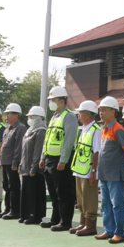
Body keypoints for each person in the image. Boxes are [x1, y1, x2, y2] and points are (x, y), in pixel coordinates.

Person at [39, 86, 78, 232]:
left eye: (53, 100)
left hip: (61, 161)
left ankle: (65, 221)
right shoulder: (55, 117)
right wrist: (43, 156)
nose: (50, 103)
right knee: (54, 192)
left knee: (64, 192)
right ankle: (55, 219)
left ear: (62, 101)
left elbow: (68, 140)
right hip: (50, 158)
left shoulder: (69, 116)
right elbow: (47, 139)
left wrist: (63, 159)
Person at [95, 96, 124, 243]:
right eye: (100, 110)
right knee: (106, 204)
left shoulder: (118, 129)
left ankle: (119, 232)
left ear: (113, 112)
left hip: (115, 174)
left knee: (117, 204)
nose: (101, 113)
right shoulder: (104, 129)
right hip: (104, 174)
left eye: (104, 110)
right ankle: (109, 230)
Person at [69, 100, 102, 237]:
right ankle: (83, 223)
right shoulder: (84, 129)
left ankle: (90, 225)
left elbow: (96, 152)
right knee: (81, 199)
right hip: (79, 170)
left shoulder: (96, 131)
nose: (78, 115)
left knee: (89, 199)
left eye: (80, 113)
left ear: (88, 115)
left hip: (88, 172)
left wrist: (93, 171)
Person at [0, 103, 26, 220]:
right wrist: (1, 161)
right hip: (5, 162)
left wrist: (15, 162)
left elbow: (18, 147)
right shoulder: (7, 128)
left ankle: (15, 211)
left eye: (9, 114)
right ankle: (7, 209)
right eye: (6, 114)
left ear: (17, 115)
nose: (7, 117)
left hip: (12, 163)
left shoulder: (20, 128)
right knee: (6, 186)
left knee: (14, 186)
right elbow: (4, 146)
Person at [19, 107, 47, 225]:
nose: (29, 119)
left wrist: (33, 168)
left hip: (34, 170)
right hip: (25, 168)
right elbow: (24, 150)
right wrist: (21, 164)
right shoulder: (29, 131)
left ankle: (35, 216)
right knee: (26, 193)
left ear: (38, 118)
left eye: (31, 117)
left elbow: (38, 152)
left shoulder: (40, 131)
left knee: (35, 194)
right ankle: (25, 214)